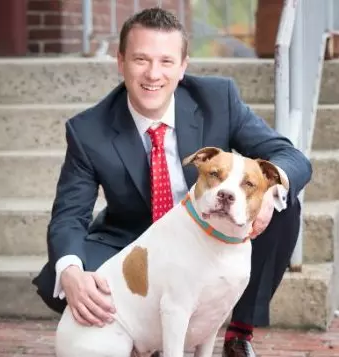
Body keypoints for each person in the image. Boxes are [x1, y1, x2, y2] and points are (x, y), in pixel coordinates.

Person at [32, 7, 312, 357]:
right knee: (72, 274)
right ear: (120, 62)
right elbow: (69, 215)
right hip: (136, 242)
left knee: (286, 206)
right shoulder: (89, 130)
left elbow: (289, 155)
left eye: (166, 61)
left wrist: (271, 193)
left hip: (211, 229)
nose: (153, 74)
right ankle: (127, 334)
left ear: (183, 67)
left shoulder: (218, 99)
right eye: (140, 59)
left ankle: (239, 333)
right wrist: (71, 272)